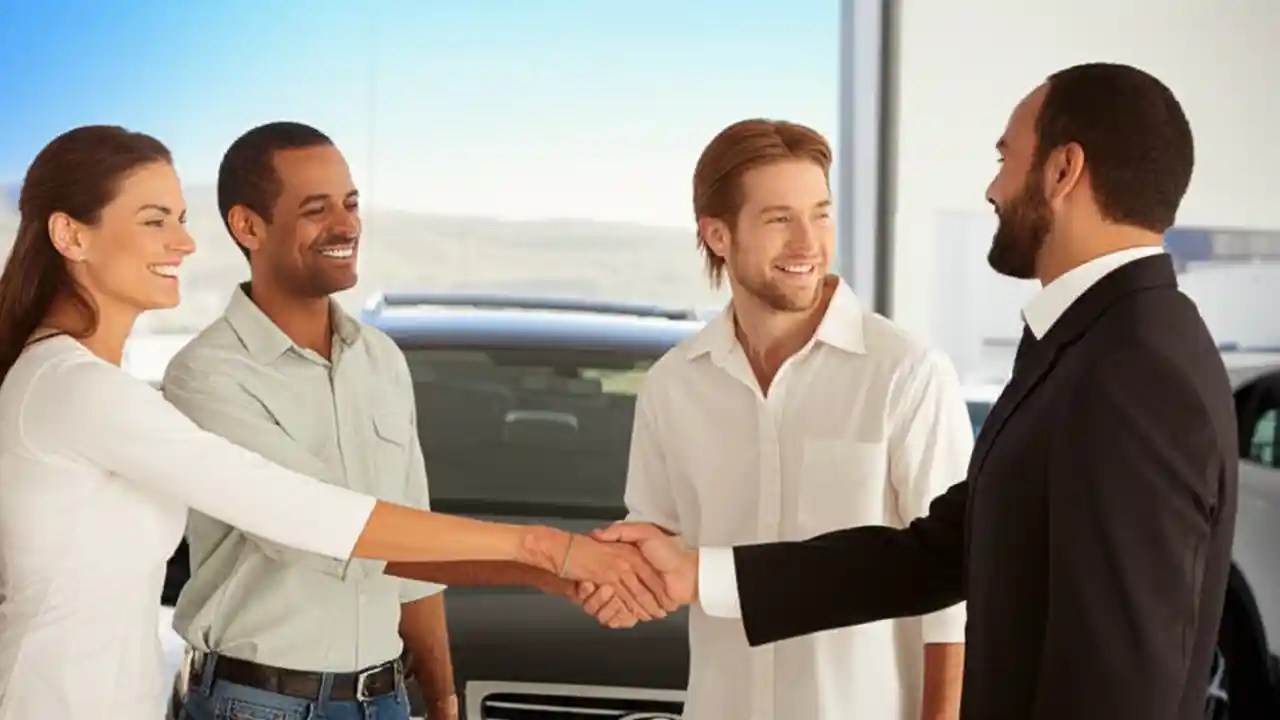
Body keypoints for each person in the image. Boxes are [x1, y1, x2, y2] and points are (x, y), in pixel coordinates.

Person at [601, 62, 1240, 720]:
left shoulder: (1133, 372)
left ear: (1062, 171)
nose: (993, 188)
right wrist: (700, 575)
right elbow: (937, 554)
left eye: (1005, 157)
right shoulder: (1089, 347)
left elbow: (1123, 686)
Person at [0, 124, 667, 720]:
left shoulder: (94, 390)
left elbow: (391, 544)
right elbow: (303, 516)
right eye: (154, 221)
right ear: (70, 235)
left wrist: (449, 679)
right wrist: (547, 550)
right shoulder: (79, 390)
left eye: (178, 216)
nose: (184, 240)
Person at [579, 118, 970, 720]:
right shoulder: (673, 385)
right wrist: (608, 580)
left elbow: (956, 599)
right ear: (717, 235)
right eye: (779, 219)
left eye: (820, 214)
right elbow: (656, 548)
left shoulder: (906, 373)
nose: (808, 244)